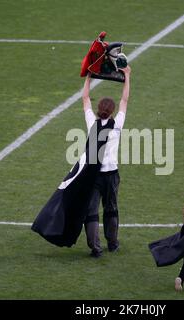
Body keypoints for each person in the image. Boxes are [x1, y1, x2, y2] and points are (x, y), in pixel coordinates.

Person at [82, 66, 131, 258]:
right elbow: (124, 100)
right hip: (111, 174)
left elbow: (85, 99)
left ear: (99, 110)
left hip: (93, 175)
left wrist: (88, 76)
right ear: (111, 112)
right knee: (111, 209)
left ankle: (95, 248)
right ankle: (113, 244)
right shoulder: (117, 124)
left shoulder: (91, 123)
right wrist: (127, 76)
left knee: (91, 211)